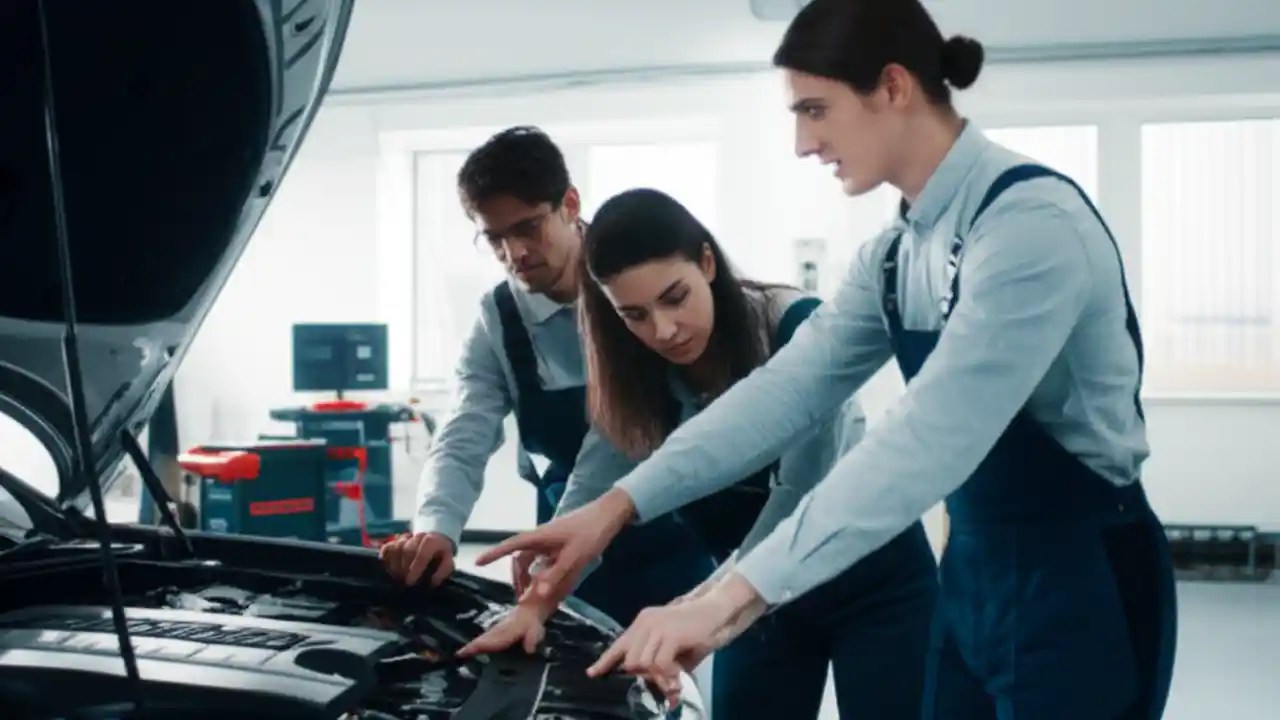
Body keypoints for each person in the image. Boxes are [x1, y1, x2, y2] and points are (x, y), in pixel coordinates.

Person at [474, 1, 1179, 718]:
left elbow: (926, 440)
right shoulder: (898, 254)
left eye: (815, 110)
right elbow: (784, 391)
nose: (803, 143)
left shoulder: (1029, 229)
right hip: (975, 573)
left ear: (893, 87)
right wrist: (616, 507)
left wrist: (724, 601)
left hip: (1079, 575)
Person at [459, 188, 939, 720]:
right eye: (634, 314)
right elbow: (593, 496)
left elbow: (797, 500)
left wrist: (701, 607)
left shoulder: (797, 331)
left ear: (707, 262)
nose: (663, 330)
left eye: (675, 297)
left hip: (872, 583)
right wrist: (537, 606)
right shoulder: (636, 370)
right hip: (751, 596)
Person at [378, 126, 716, 630]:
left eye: (528, 228)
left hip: (677, 536)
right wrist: (436, 528)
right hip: (563, 532)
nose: (514, 253)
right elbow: (463, 434)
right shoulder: (498, 319)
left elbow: (620, 435)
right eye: (495, 238)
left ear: (571, 204)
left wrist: (564, 541)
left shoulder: (639, 289)